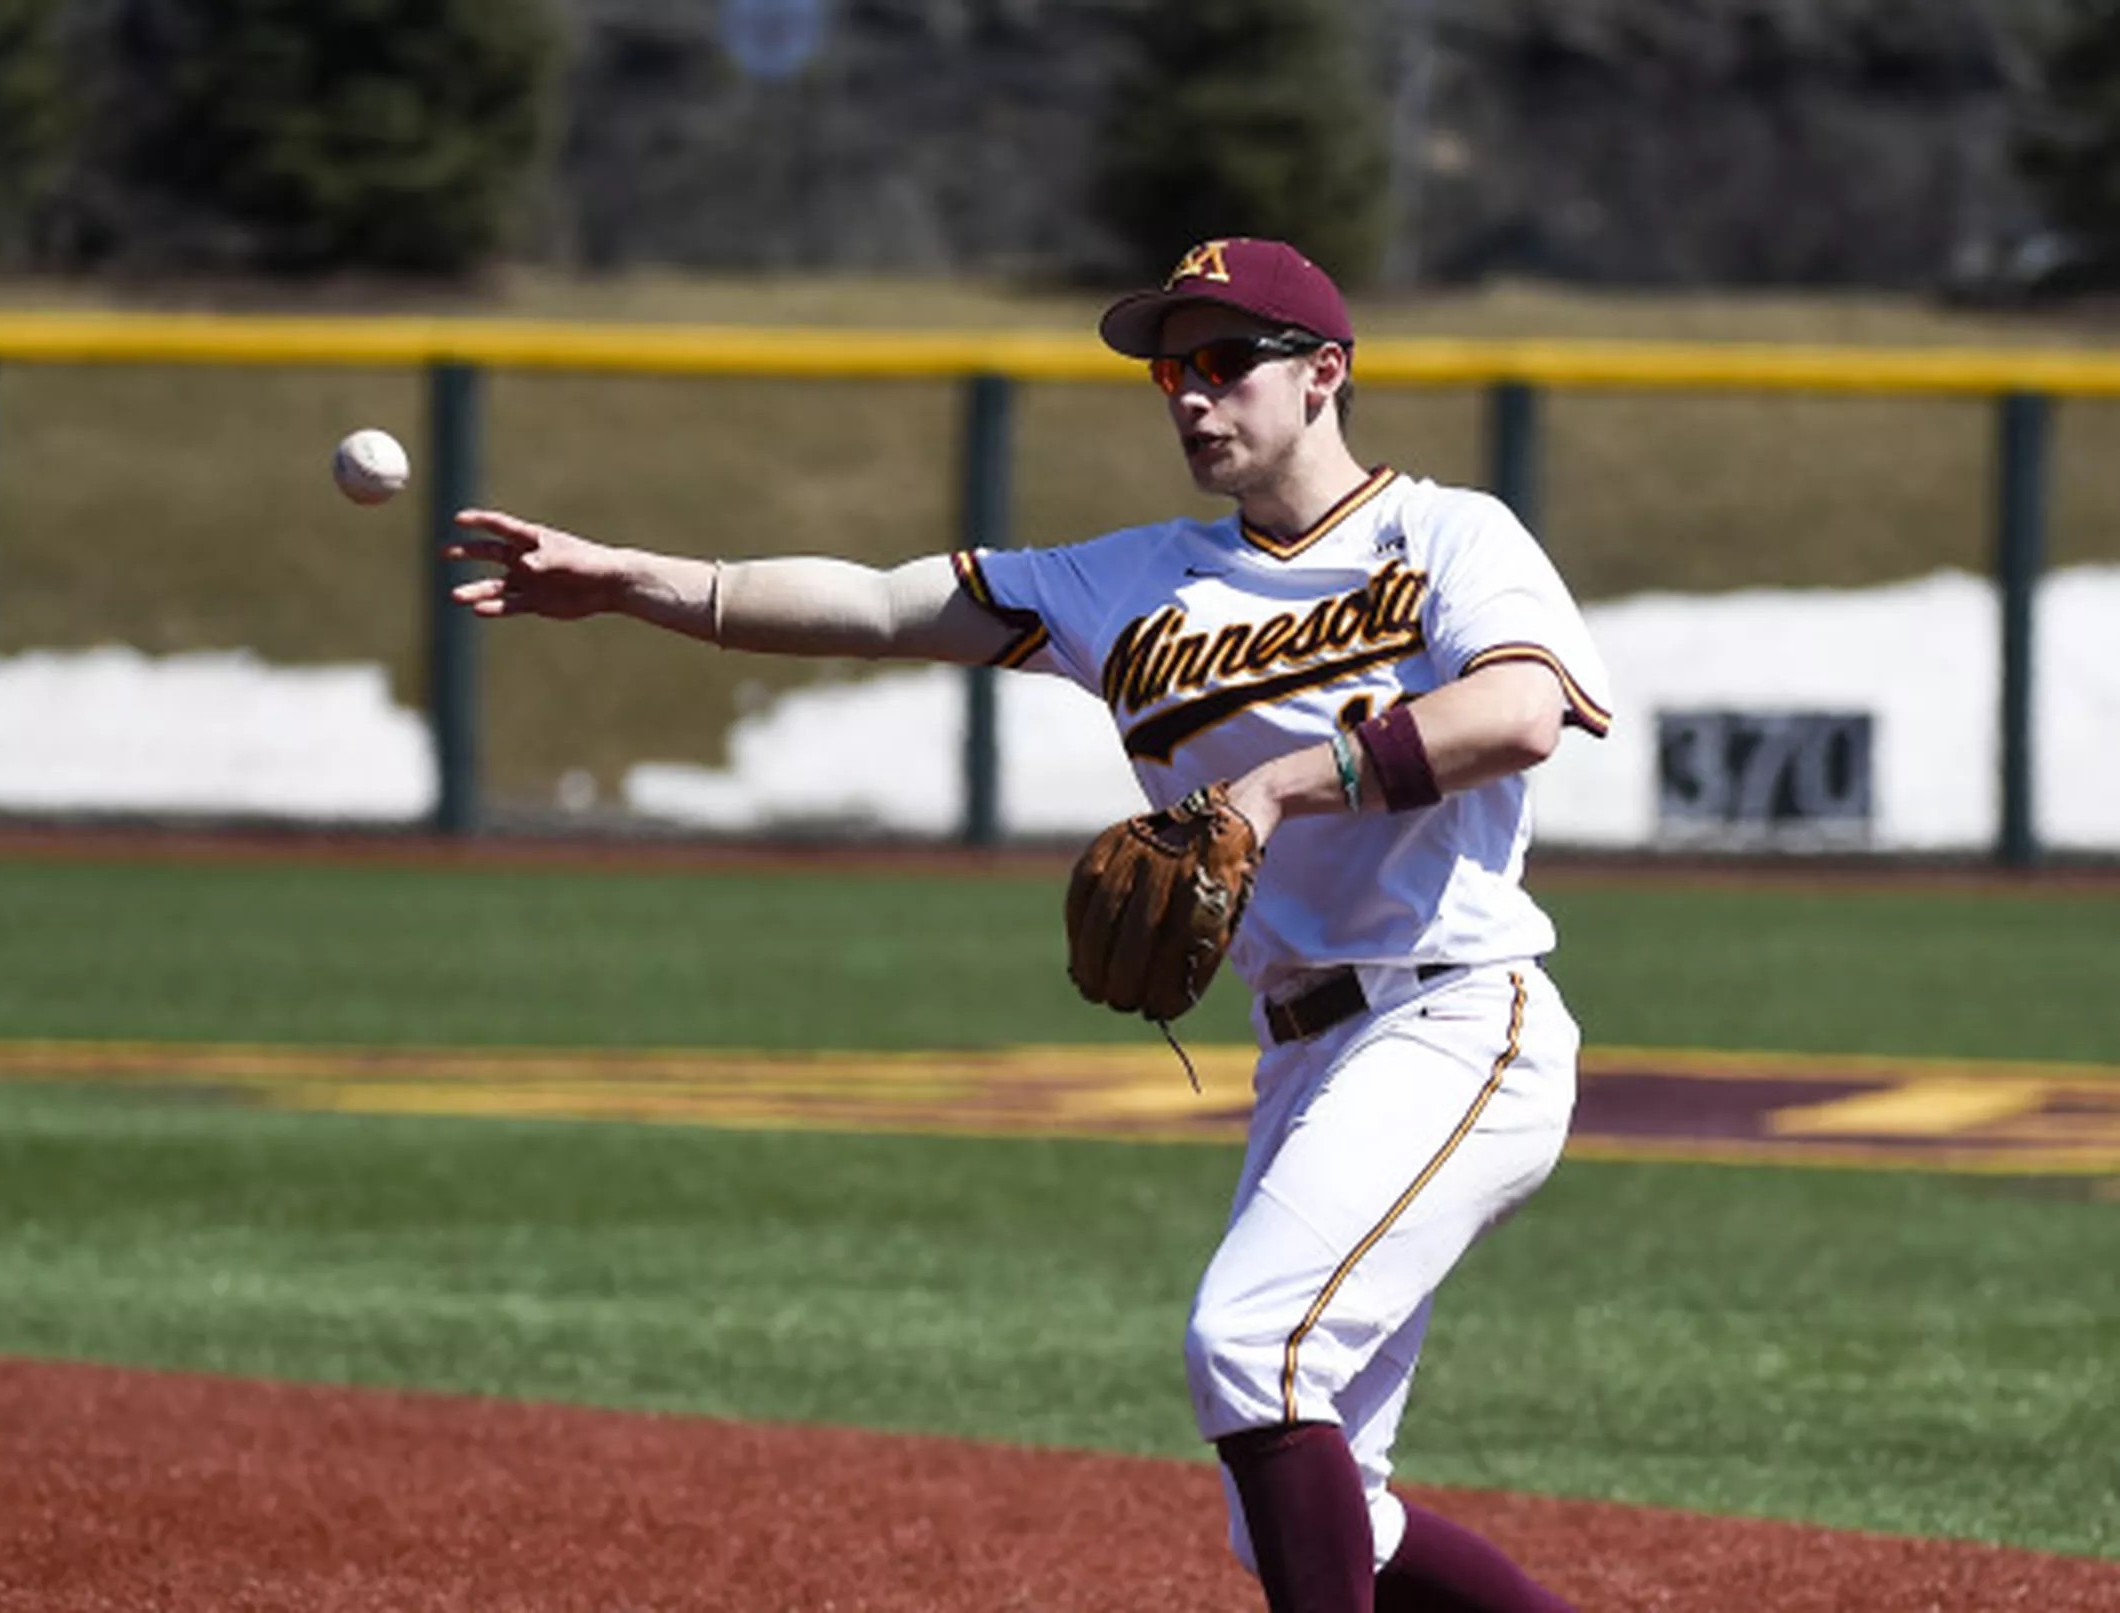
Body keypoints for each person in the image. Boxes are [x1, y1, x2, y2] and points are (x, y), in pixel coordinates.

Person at [444, 237, 1609, 1613]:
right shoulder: (1133, 582)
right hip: (1304, 1050)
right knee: (1306, 1508)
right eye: (1172, 371)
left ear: (1324, 374)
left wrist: (1278, 785)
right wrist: (629, 579)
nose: (1192, 394)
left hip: (1457, 1012)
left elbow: (1521, 713)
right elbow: (879, 606)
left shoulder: (1448, 534)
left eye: (1225, 360)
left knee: (1250, 1346)